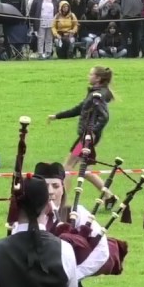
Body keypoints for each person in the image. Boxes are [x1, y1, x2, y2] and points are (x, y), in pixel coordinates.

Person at [46, 66, 116, 204]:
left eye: (91, 74)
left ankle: (61, 201)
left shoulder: (98, 95)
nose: (88, 76)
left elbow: (104, 117)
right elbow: (79, 109)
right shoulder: (94, 93)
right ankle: (109, 196)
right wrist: (57, 116)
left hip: (87, 138)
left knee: (68, 165)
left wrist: (92, 132)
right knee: (85, 169)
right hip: (87, 136)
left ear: (98, 78)